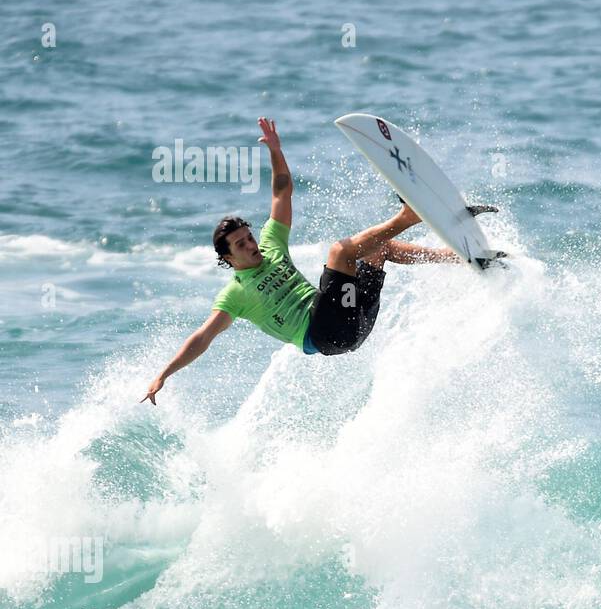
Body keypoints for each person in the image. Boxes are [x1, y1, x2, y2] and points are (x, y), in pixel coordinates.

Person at [141, 117, 458, 405]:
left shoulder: (271, 245)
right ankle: (409, 215)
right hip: (324, 334)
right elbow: (202, 337)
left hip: (356, 322)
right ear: (227, 257)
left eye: (249, 237)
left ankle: (453, 257)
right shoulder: (235, 295)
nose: (251, 244)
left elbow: (281, 194)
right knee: (341, 252)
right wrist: (164, 374)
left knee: (378, 249)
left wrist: (276, 152)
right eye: (241, 244)